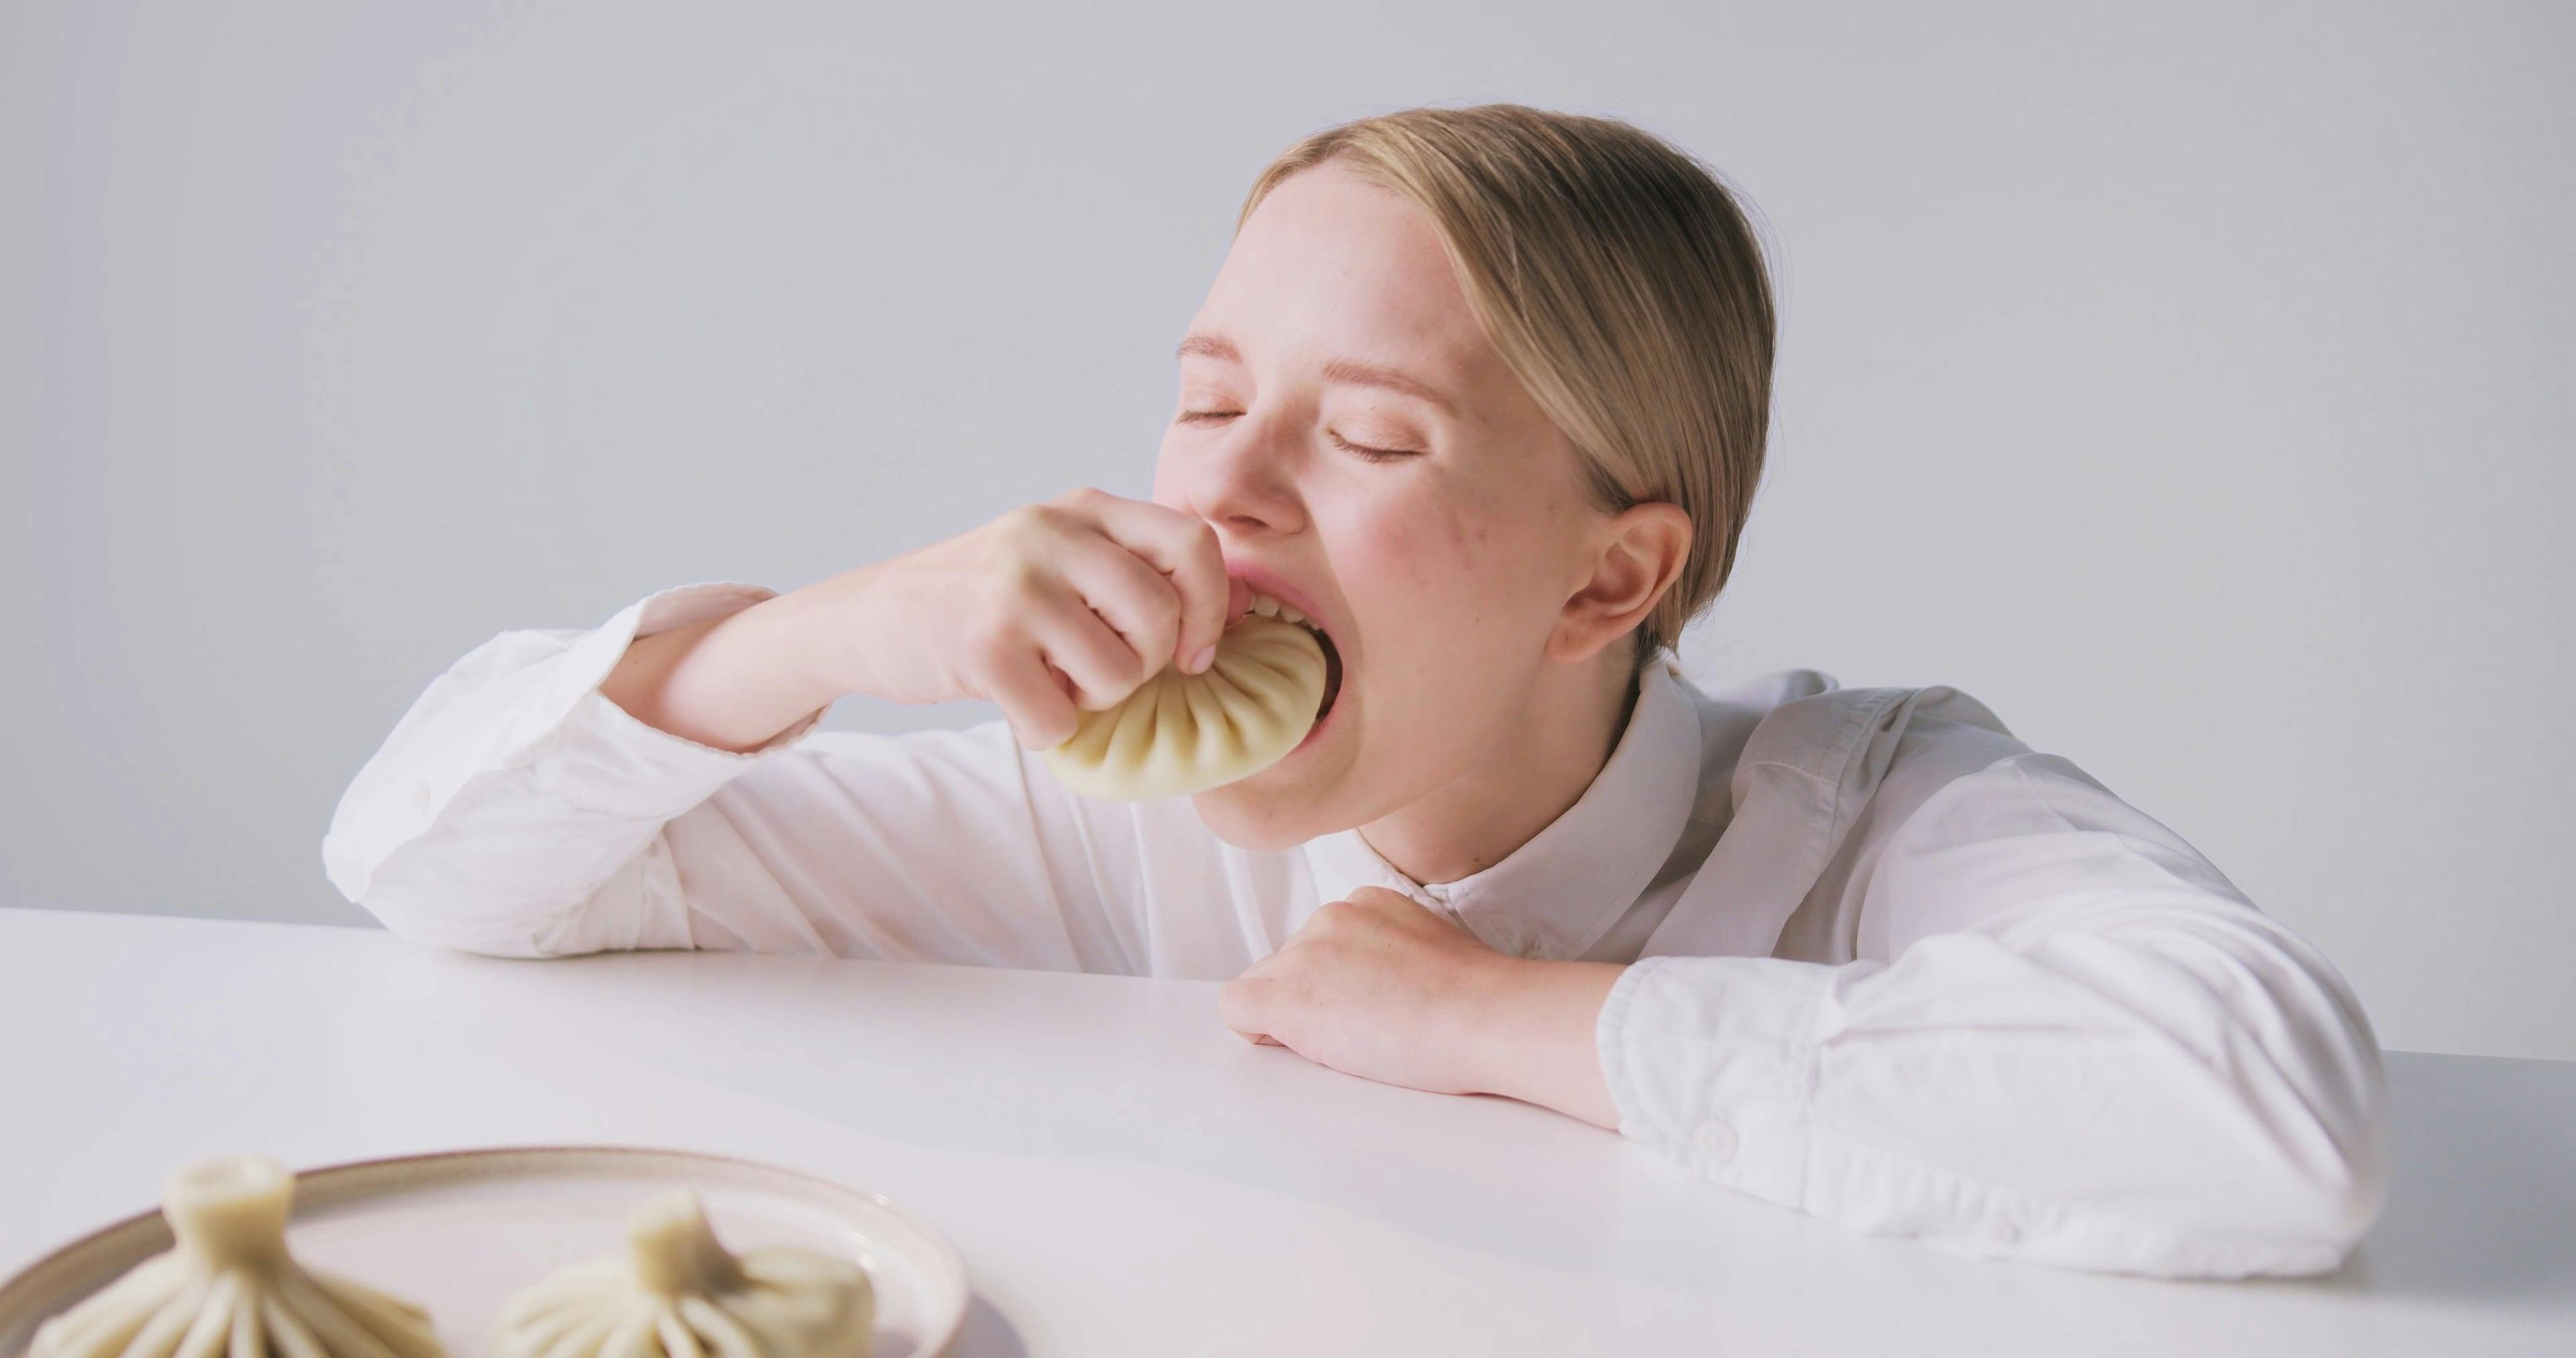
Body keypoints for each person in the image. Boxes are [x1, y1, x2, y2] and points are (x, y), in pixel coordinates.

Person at [321, 103, 2388, 1280]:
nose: (1223, 497)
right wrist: (837, 635)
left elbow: (2275, 1125)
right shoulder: (1102, 825)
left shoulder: (1874, 814)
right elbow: (431, 866)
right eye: (1211, 398)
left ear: (1613, 574)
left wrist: (1492, 1020)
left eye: (1372, 437)